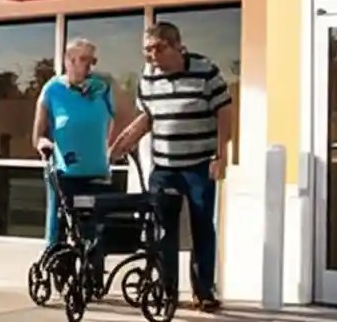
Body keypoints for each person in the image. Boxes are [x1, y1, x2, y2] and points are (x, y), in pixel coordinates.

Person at [108, 22, 232, 313]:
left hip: (199, 165)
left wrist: (221, 155)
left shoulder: (206, 71)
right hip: (164, 166)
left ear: (177, 46)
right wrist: (122, 144)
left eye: (157, 48)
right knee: (162, 230)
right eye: (146, 50)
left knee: (203, 227)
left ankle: (204, 292)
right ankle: (166, 290)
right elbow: (148, 117)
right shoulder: (148, 78)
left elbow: (225, 112)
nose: (151, 56)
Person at [32, 37, 119, 284]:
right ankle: (60, 273)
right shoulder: (52, 90)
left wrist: (112, 147)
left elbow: (122, 118)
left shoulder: (103, 87)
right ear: (68, 61)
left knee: (94, 227)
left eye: (92, 60)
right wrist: (43, 143)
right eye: (82, 60)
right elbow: (37, 134)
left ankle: (93, 279)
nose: (89, 66)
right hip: (64, 171)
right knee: (61, 223)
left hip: (97, 170)